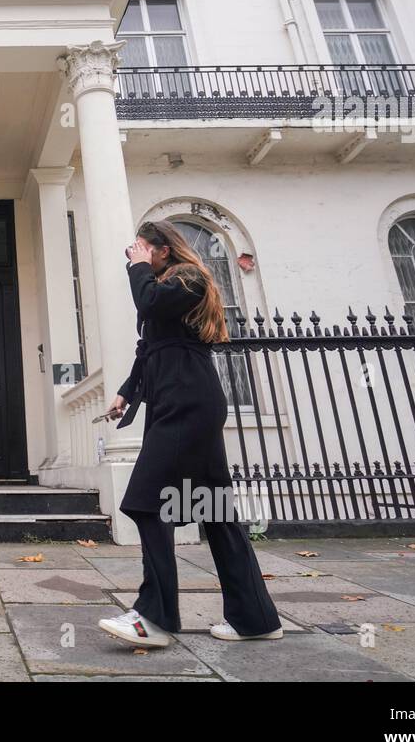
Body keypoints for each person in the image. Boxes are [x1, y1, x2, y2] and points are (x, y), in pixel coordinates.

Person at [97, 220, 282, 648]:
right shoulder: (164, 285)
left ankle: (154, 618)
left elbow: (149, 303)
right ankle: (255, 618)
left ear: (163, 249)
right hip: (177, 402)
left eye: (142, 247)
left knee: (145, 501)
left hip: (187, 404)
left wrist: (137, 268)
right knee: (216, 511)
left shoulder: (189, 278)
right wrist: (127, 392)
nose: (134, 253)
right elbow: (148, 350)